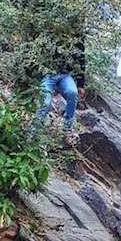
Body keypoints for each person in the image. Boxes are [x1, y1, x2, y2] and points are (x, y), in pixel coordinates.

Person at [34, 11, 87, 144]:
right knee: (45, 104)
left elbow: (81, 59)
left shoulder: (78, 38)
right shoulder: (53, 31)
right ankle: (33, 132)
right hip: (48, 73)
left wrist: (81, 84)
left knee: (72, 92)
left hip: (65, 74)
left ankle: (67, 129)